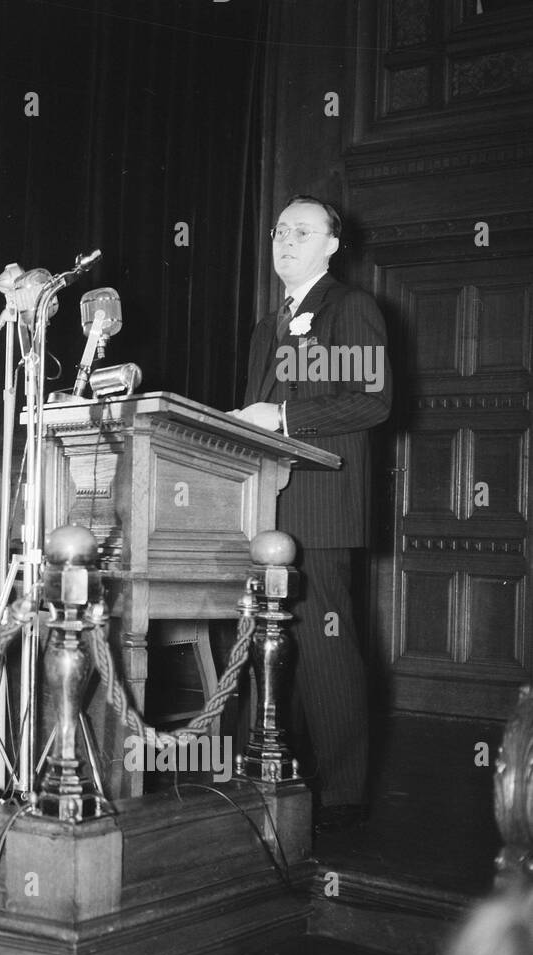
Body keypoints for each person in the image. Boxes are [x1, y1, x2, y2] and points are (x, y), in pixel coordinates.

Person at [230, 194, 392, 832]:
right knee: (272, 645)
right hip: (264, 505)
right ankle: (274, 774)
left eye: (302, 231)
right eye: (278, 231)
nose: (285, 240)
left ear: (332, 244)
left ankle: (345, 795)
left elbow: (372, 400)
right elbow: (253, 414)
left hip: (320, 508)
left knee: (326, 646)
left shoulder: (349, 307)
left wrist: (286, 418)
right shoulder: (266, 326)